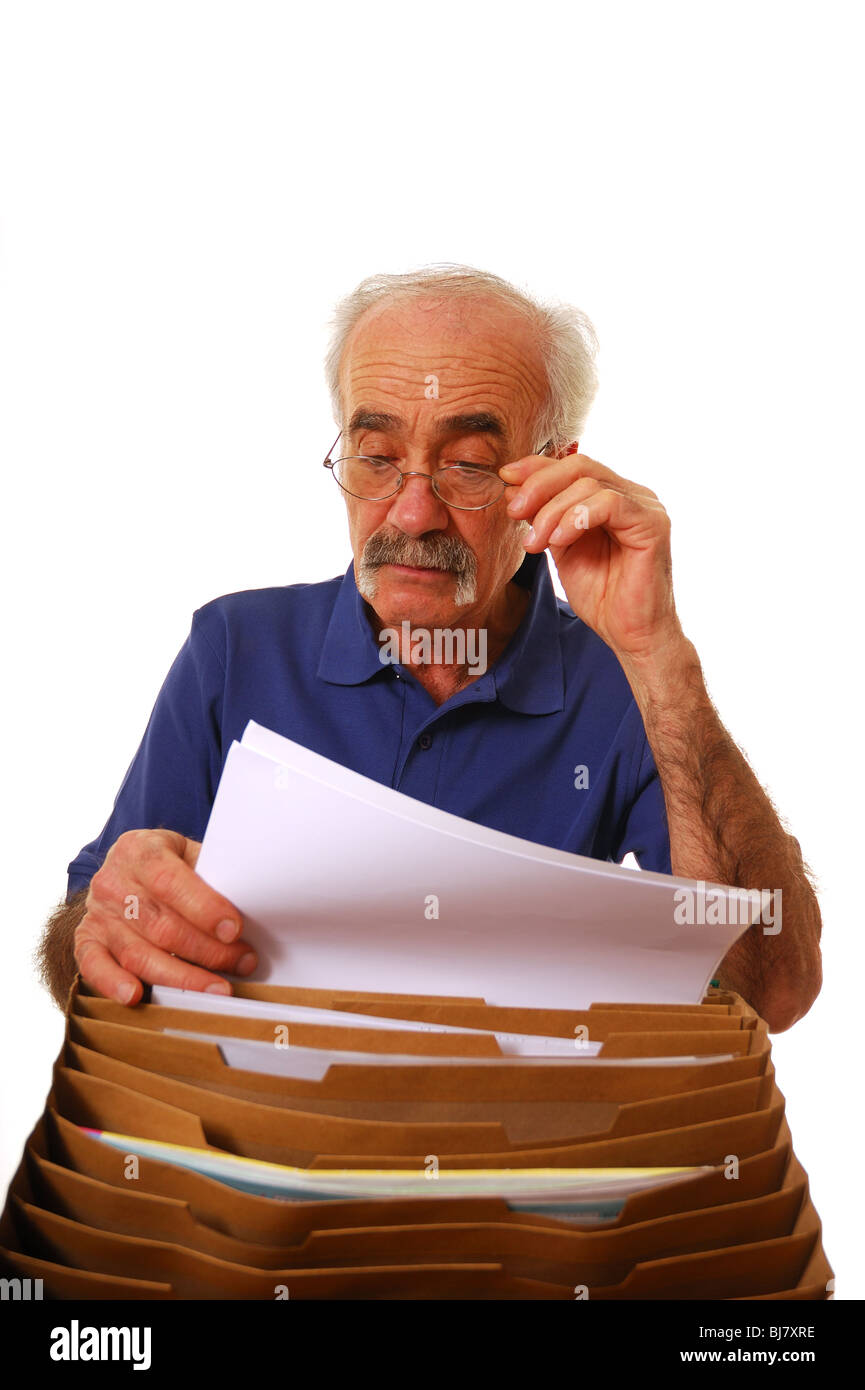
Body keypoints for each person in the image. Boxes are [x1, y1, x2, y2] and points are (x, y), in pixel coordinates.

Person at [37, 265, 822, 1031]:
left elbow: (769, 990)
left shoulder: (619, 685)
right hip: (255, 1137)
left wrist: (657, 656)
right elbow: (83, 951)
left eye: (469, 466)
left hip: (519, 1150)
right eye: (375, 456)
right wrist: (104, 925)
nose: (411, 514)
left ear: (552, 474)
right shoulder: (233, 648)